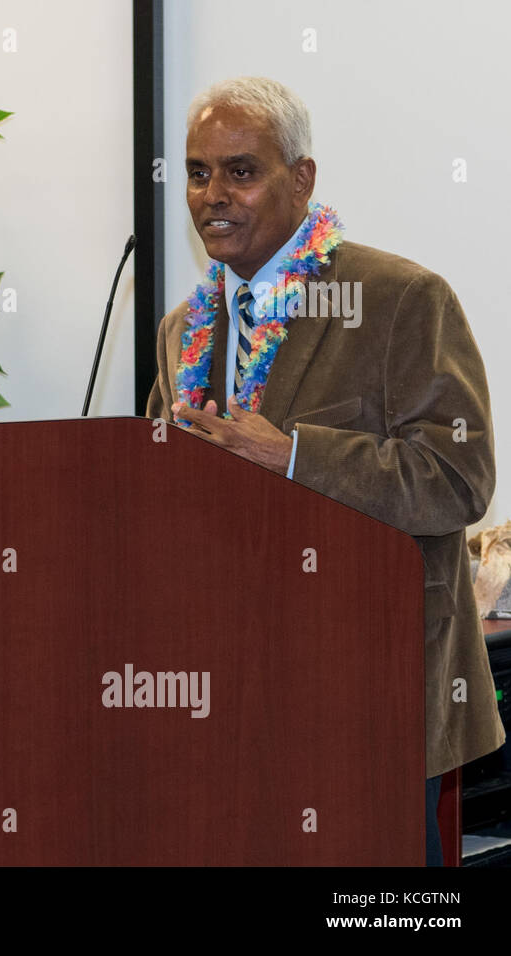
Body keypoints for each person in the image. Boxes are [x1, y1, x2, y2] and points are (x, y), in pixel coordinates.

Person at [145, 76, 504, 866]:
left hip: (366, 693)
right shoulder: (183, 330)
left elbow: (459, 478)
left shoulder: (399, 300)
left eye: (241, 171)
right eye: (199, 172)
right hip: (225, 691)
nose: (213, 195)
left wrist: (293, 453)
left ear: (301, 179)